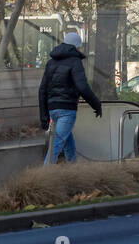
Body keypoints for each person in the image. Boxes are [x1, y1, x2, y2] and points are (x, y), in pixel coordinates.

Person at [38, 30, 102, 165]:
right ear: (75, 46)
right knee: (56, 147)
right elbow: (83, 87)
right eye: (79, 47)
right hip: (67, 110)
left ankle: (74, 172)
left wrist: (44, 117)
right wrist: (97, 105)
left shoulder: (51, 63)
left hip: (52, 110)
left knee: (68, 143)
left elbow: (42, 89)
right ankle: (41, 179)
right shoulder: (75, 62)